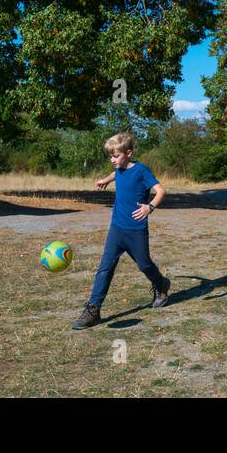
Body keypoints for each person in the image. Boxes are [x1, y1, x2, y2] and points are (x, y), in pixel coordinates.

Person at [72, 132, 170, 329]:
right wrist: (106, 180)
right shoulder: (119, 169)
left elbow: (161, 191)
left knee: (144, 265)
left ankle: (161, 284)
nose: (112, 160)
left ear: (128, 153)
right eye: (110, 156)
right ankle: (93, 309)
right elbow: (116, 174)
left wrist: (149, 207)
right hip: (116, 229)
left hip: (136, 230)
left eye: (115, 156)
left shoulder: (141, 170)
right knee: (104, 269)